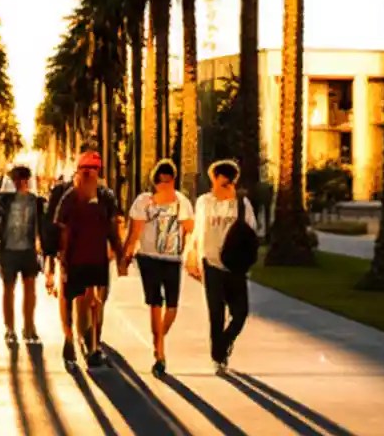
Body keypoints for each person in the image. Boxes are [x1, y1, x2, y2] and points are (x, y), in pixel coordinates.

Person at [121, 159, 194, 376]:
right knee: (155, 302)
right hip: (148, 258)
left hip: (172, 259)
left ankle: (158, 338)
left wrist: (190, 252)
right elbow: (134, 232)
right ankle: (160, 353)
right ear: (155, 182)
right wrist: (125, 255)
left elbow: (190, 229)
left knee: (172, 306)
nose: (165, 185)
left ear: (174, 180)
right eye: (161, 182)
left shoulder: (182, 202)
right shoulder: (144, 202)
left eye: (169, 181)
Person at [185, 159, 257, 373]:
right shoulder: (204, 202)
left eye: (230, 184)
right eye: (223, 183)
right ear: (214, 180)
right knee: (215, 314)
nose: (226, 188)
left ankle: (223, 344)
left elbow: (251, 234)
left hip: (234, 267)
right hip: (211, 264)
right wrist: (191, 255)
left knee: (241, 313)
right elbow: (198, 230)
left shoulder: (243, 204)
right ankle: (218, 357)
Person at [55, 152, 125, 368]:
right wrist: (59, 258)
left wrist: (119, 254)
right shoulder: (69, 197)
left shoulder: (106, 197)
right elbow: (61, 228)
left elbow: (113, 227)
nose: (88, 173)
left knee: (96, 302)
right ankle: (72, 339)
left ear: (98, 172)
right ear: (78, 172)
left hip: (98, 259)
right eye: (84, 169)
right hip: (74, 260)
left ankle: (92, 344)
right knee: (75, 301)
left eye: (92, 169)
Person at [0, 165, 46, 345]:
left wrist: (44, 251)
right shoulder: (5, 201)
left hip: (28, 252)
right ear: (13, 181)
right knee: (8, 290)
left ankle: (29, 326)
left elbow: (41, 227)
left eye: (24, 179)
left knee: (30, 289)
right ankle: (10, 328)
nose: (21, 182)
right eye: (18, 179)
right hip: (9, 252)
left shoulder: (35, 201)